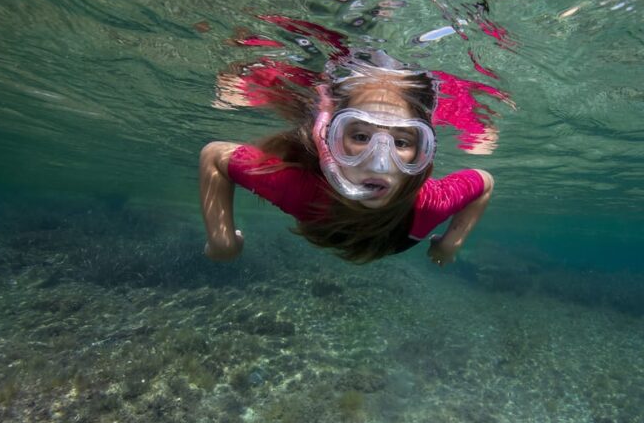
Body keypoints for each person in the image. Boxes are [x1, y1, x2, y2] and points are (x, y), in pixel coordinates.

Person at [199, 49, 493, 265]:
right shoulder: (305, 192)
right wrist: (220, 238)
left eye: (402, 141)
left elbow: (484, 183)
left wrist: (452, 243)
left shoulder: (428, 204)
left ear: (423, 152)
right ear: (329, 141)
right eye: (360, 136)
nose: (379, 162)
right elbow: (215, 156)